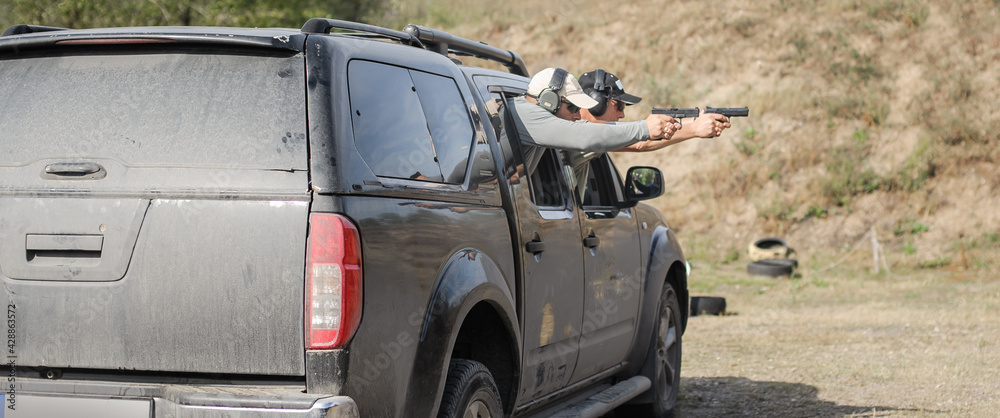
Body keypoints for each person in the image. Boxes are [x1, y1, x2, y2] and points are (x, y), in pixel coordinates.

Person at [562, 69, 732, 196]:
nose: (622, 114)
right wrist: (694, 128)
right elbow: (641, 142)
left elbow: (640, 139)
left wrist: (696, 121)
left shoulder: (577, 134)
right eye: (619, 106)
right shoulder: (578, 135)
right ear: (596, 103)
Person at [508, 67, 681, 176]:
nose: (578, 115)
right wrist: (644, 128)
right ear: (549, 100)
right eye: (572, 108)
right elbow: (585, 137)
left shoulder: (530, 115)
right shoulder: (526, 114)